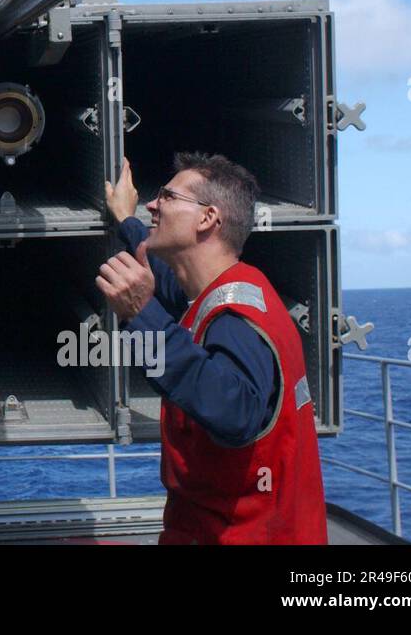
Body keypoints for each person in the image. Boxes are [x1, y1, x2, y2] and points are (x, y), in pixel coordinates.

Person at [95, 153, 327, 544]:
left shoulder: (236, 320)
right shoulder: (227, 289)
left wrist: (141, 313)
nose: (153, 204)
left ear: (207, 219)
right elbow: (168, 284)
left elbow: (235, 410)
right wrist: (127, 220)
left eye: (167, 197)